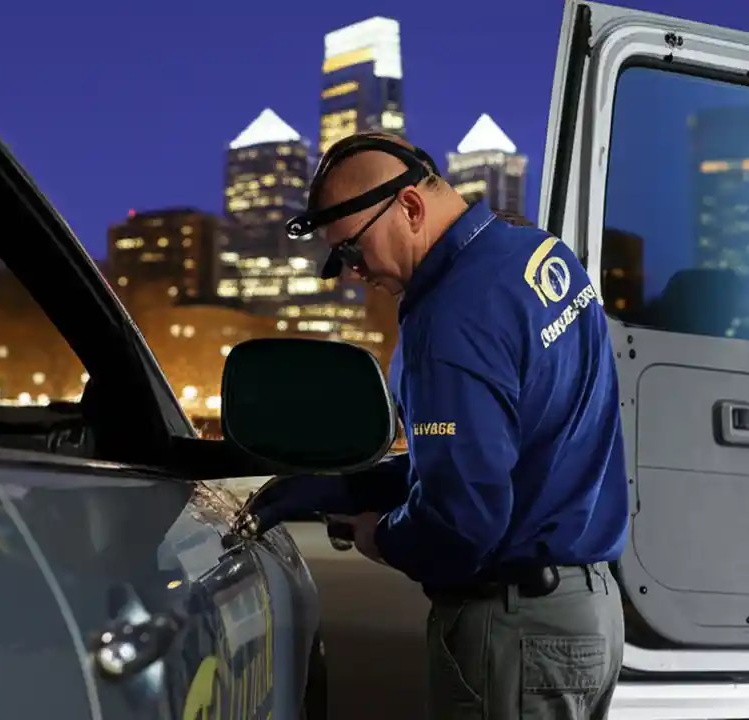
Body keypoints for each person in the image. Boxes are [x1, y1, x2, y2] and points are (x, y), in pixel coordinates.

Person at [268, 131, 630, 719]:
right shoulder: (538, 254)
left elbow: (463, 523)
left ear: (410, 207)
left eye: (353, 251)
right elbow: (513, 447)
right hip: (592, 613)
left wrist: (381, 537)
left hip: (516, 631)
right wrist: (350, 485)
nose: (354, 273)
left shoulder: (451, 316)